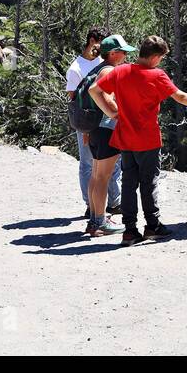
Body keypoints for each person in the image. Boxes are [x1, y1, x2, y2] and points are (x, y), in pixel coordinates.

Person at [90, 35, 187, 246]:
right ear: (155, 57)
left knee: (129, 184)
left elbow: (94, 90)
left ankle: (130, 230)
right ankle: (152, 225)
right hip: (147, 139)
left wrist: (113, 112)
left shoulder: (121, 70)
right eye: (161, 58)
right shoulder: (156, 75)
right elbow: (180, 97)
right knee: (148, 183)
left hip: (125, 137)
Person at [74, 35, 137, 237]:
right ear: (112, 54)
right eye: (123, 52)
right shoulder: (109, 70)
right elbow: (102, 95)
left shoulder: (98, 68)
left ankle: (95, 220)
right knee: (103, 177)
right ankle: (100, 223)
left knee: (96, 175)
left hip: (94, 129)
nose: (126, 55)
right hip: (106, 129)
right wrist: (117, 114)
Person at [65, 28, 119, 220]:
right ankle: (91, 206)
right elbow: (74, 100)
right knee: (89, 164)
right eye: (101, 41)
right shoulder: (76, 68)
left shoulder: (102, 63)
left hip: (104, 122)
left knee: (107, 165)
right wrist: (85, 128)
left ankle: (113, 202)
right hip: (88, 122)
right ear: (92, 40)